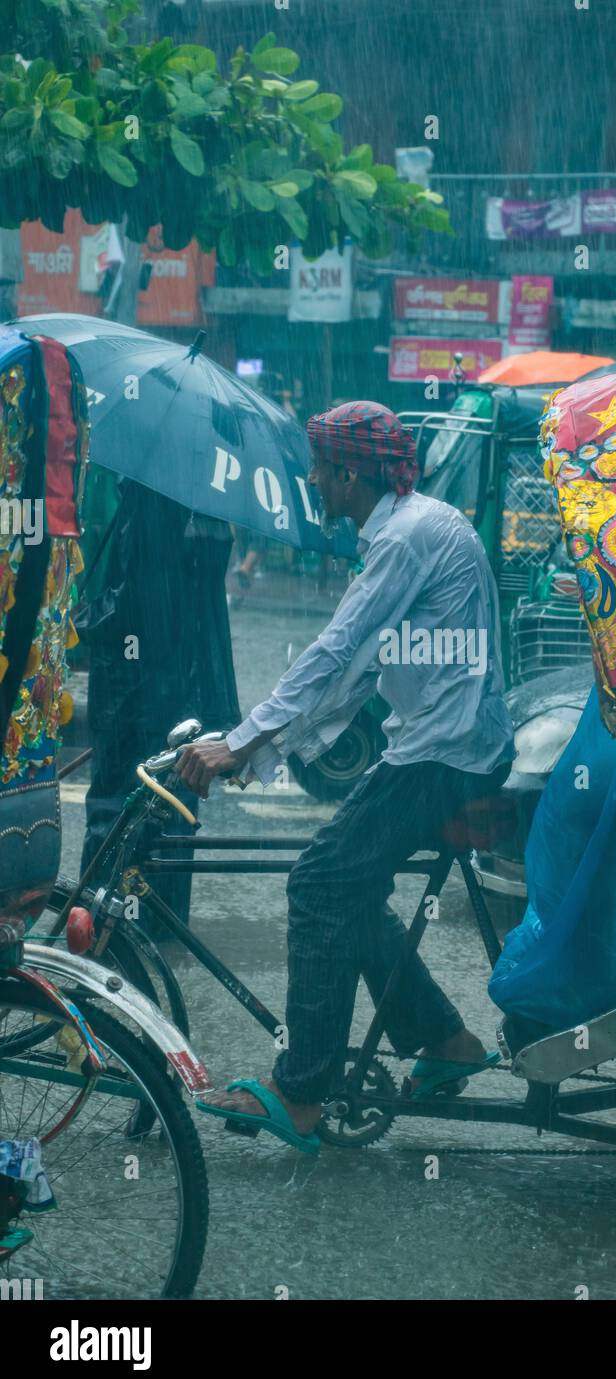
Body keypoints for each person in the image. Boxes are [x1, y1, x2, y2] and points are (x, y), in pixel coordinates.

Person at [178, 401, 515, 1152]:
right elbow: (358, 669)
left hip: (445, 755)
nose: (313, 478)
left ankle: (302, 1093)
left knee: (319, 884)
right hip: (444, 745)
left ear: (352, 473)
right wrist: (263, 747)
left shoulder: (403, 537)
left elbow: (335, 651)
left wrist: (241, 743)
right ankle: (443, 1040)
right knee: (348, 886)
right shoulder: (406, 526)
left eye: (322, 468)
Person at [78, 481, 241, 934]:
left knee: (119, 807)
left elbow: (132, 600)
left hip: (133, 690)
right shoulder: (205, 503)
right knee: (169, 807)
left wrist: (81, 619)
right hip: (185, 683)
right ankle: (160, 926)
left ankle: (106, 930)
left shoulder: (150, 498)